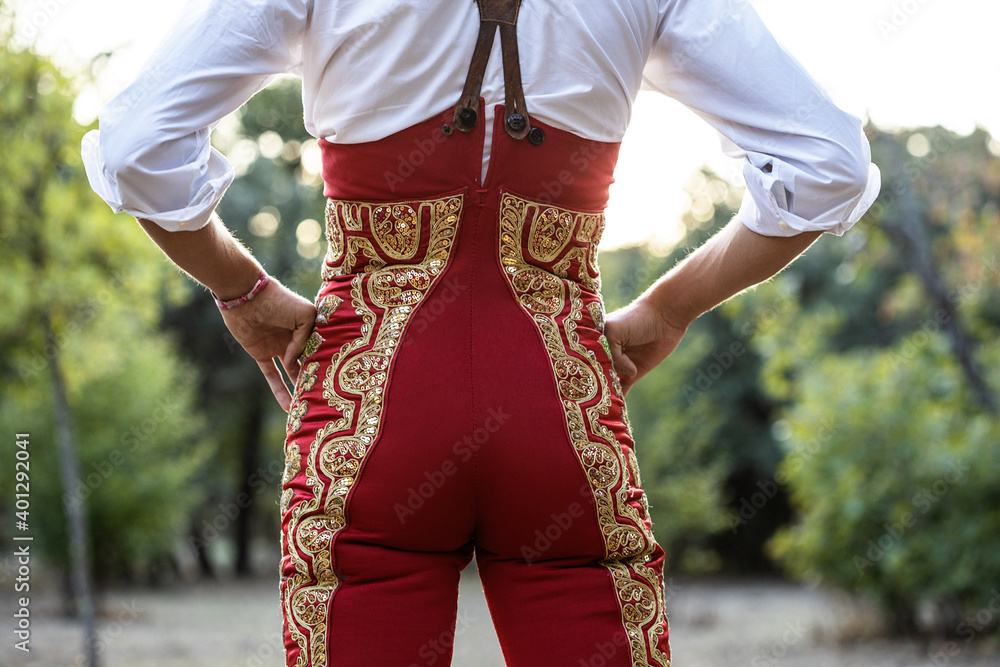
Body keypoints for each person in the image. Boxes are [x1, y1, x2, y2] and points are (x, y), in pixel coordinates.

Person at [82, 0, 880, 664]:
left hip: (368, 418)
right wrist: (669, 307)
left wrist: (242, 289)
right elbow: (830, 166)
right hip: (561, 409)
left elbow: (135, 144)